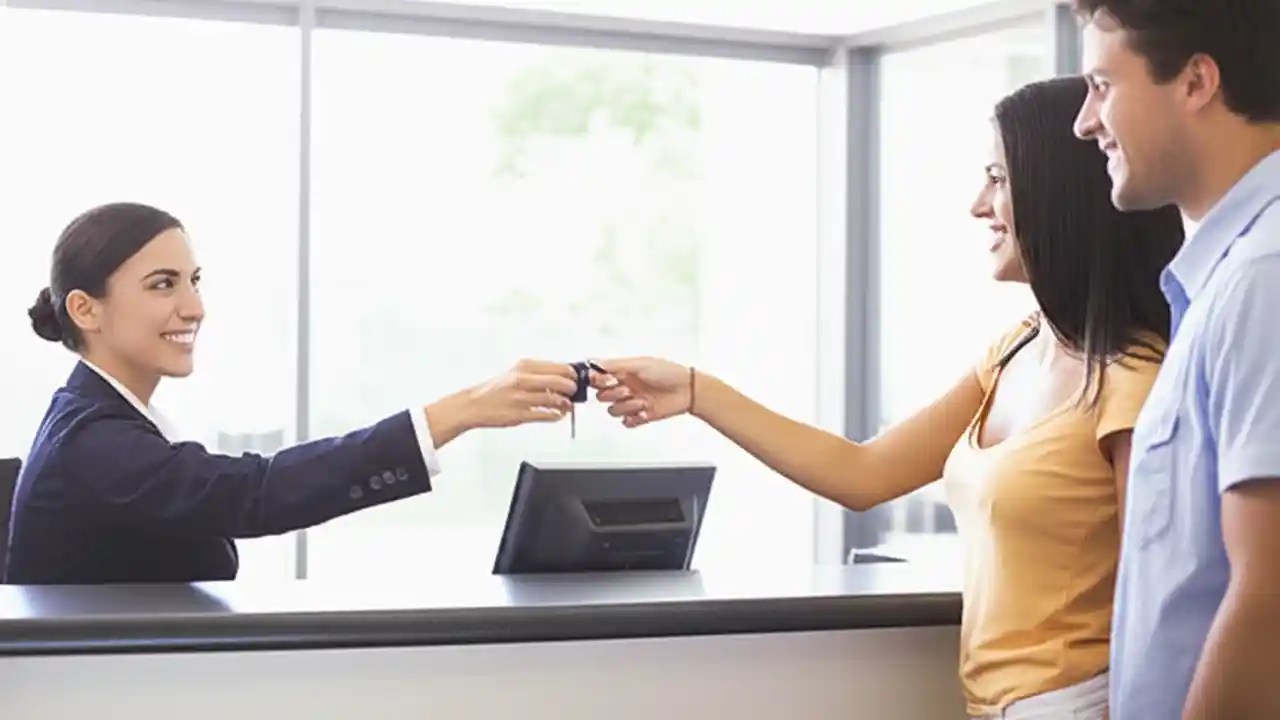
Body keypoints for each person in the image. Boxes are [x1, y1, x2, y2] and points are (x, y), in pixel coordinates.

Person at [588, 76, 1184, 720]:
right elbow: (862, 474)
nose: (978, 204)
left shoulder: (1134, 381)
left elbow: (1164, 599)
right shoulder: (1017, 347)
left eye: (999, 179)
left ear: (1063, 194)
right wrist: (700, 392)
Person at [5, 201, 583, 585]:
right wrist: (460, 412)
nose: (194, 307)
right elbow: (254, 492)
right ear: (85, 308)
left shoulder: (103, 418)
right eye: (163, 285)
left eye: (194, 281)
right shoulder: (94, 441)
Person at [1069, 2, 1280, 718]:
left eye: (1102, 85)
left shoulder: (1265, 274)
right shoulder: (1224, 277)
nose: (1085, 122)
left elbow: (1270, 595)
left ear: (1196, 82)